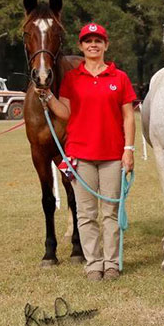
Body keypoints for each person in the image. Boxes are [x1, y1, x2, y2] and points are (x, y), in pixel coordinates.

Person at [42, 23, 136, 281]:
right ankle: (94, 263)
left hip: (112, 156)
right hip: (80, 156)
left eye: (98, 40)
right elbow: (66, 113)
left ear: (105, 45)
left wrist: (129, 149)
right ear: (81, 46)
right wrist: (48, 97)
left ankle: (112, 263)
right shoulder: (73, 79)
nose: (93, 45)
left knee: (110, 212)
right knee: (85, 214)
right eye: (88, 41)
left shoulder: (120, 78)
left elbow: (128, 116)